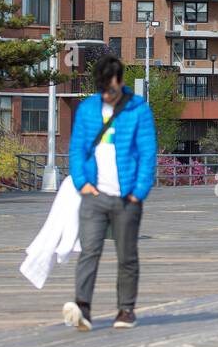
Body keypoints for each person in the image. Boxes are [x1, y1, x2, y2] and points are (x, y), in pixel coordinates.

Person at [65, 54, 158, 332]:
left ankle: (126, 310)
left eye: (112, 89)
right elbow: (77, 150)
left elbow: (147, 153)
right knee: (89, 251)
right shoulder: (87, 109)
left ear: (121, 82)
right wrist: (83, 183)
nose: (107, 94)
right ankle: (83, 308)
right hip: (95, 196)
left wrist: (138, 192)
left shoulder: (138, 110)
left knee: (126, 255)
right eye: (103, 89)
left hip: (127, 198)